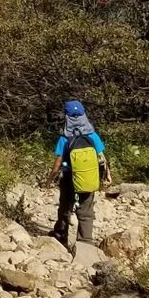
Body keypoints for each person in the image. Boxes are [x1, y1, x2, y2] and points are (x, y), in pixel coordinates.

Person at [48, 99, 110, 247]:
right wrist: (107, 174)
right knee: (86, 211)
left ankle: (60, 236)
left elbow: (58, 162)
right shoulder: (92, 135)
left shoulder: (65, 137)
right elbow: (101, 157)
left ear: (66, 116)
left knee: (65, 207)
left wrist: (50, 178)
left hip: (69, 178)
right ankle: (85, 243)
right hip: (88, 177)